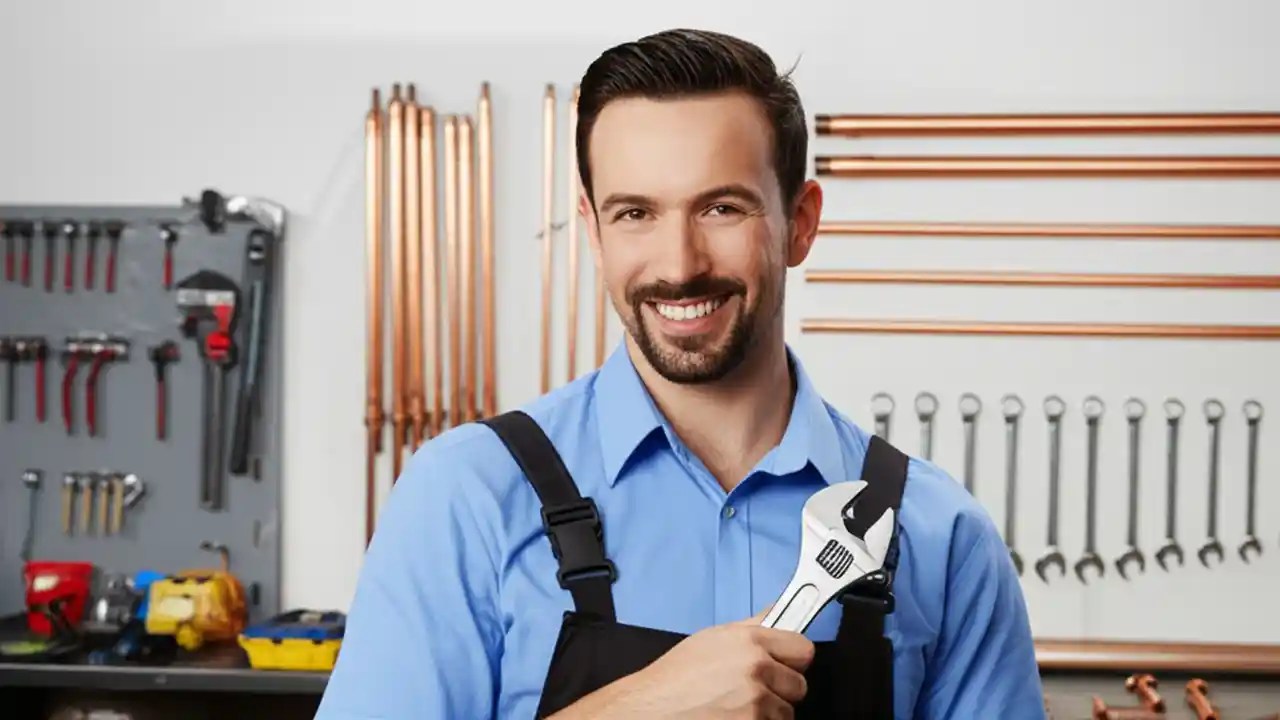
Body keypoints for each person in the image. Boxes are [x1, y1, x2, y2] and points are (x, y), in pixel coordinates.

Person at [316, 28, 1046, 719]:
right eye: (635, 213)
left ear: (800, 221)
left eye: (721, 207)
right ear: (594, 233)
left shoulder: (941, 538)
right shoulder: (464, 501)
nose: (678, 264)